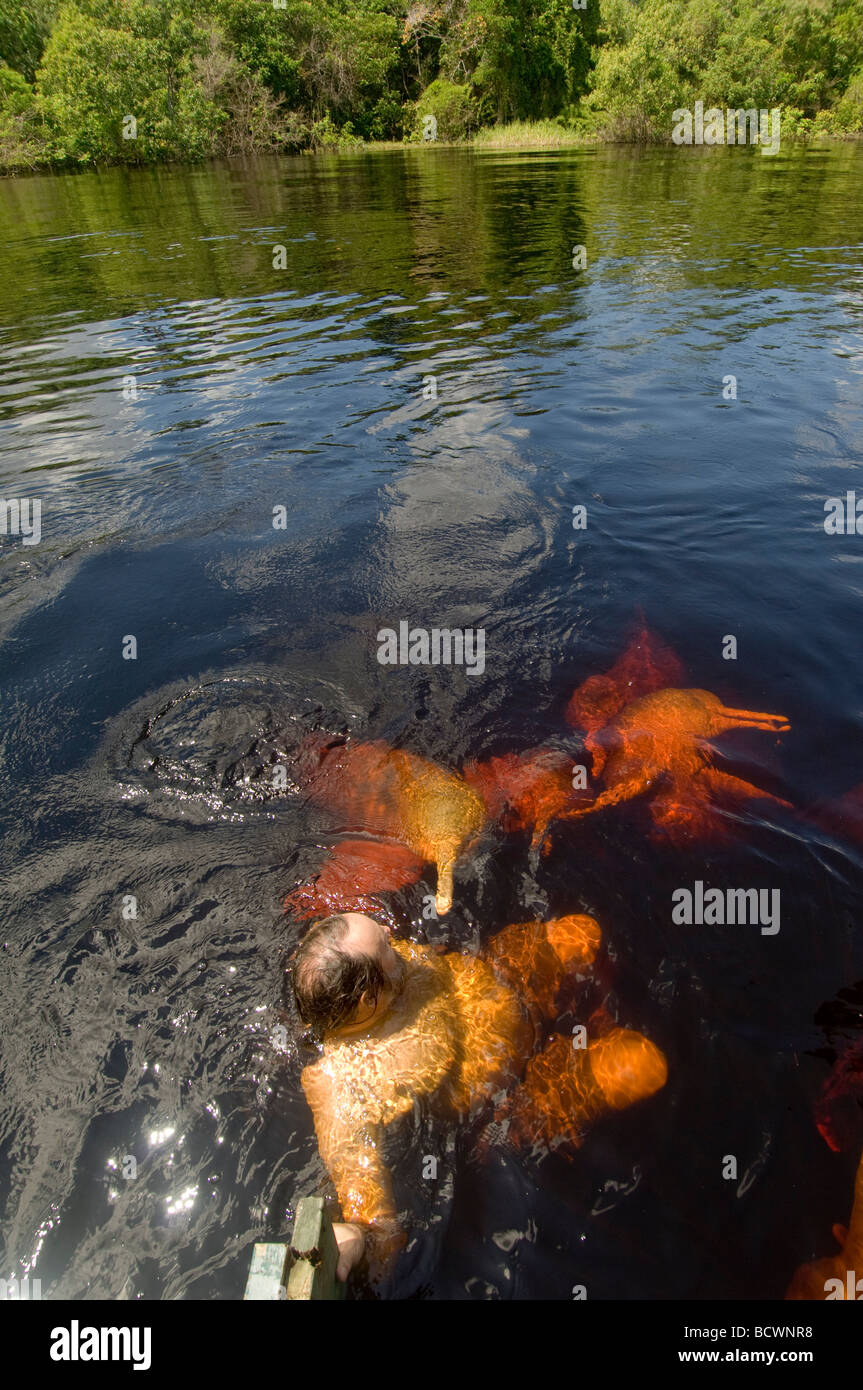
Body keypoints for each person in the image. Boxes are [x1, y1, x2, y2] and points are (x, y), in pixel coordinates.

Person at [290, 911, 667, 1285]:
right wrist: (359, 1238)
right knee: (644, 1065)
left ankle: (596, 1016)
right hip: (523, 1090)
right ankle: (575, 1053)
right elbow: (372, 1215)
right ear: (365, 1000)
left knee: (584, 932)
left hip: (501, 974)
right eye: (384, 942)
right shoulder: (343, 1082)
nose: (392, 933)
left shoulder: (381, 967)